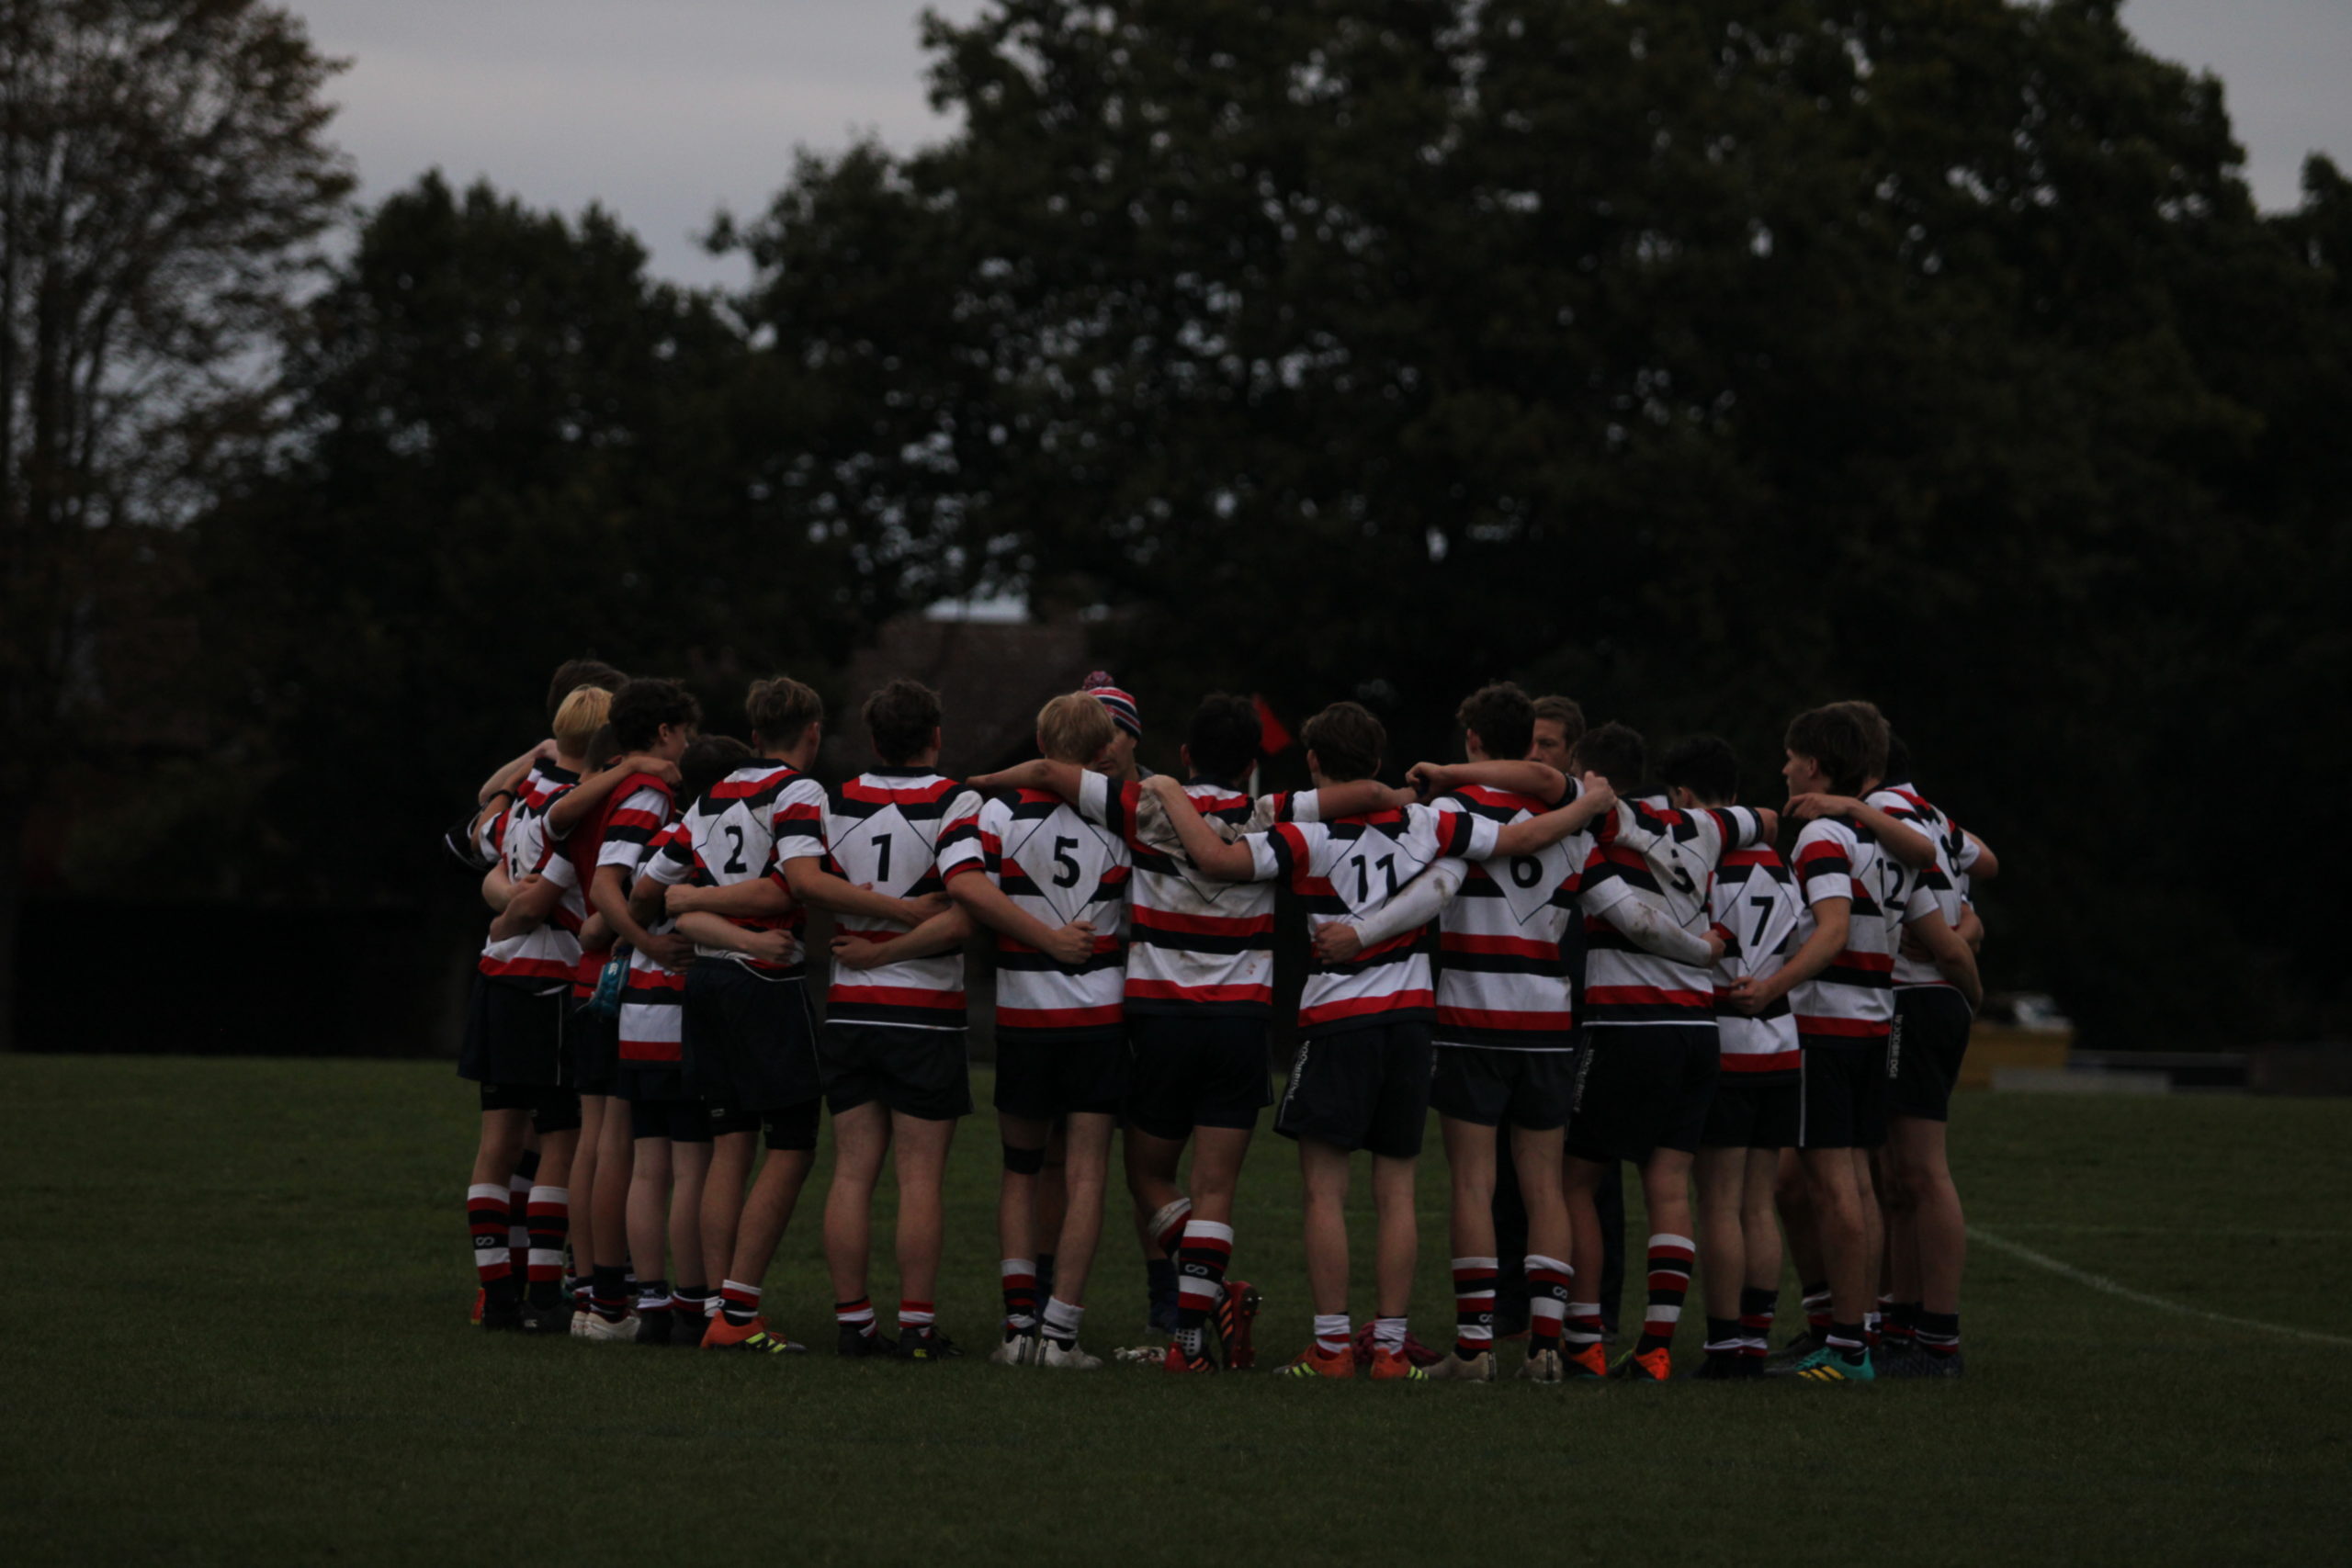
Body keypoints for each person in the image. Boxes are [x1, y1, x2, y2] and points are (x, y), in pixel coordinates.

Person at [1148, 701, 1600, 1381]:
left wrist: (1165, 791)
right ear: (1380, 758)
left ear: (1313, 764)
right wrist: (1589, 804)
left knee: (1325, 1191)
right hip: (1413, 1022)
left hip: (1337, 1020)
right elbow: (1521, 841)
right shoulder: (1430, 822)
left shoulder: (1305, 836)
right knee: (1397, 1190)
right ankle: (1388, 1348)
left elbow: (1213, 857)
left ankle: (1331, 1347)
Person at [970, 694, 1396, 1372]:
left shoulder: (1145, 807)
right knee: (1216, 1187)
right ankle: (1190, 1341)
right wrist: (1402, 790)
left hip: (1161, 1018)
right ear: (1253, 764)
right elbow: (1363, 793)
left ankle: (1200, 1304)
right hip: (1241, 1022)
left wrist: (984, 783)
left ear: (1187, 754)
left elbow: (1051, 774)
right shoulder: (1271, 814)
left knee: (1147, 1173)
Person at [1322, 683, 1611, 1383]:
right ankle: (1547, 1344)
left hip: (1469, 1015)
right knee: (1545, 1184)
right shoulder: (1572, 813)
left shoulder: (1451, 807)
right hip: (1547, 1015)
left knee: (1474, 1185)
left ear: (1474, 741)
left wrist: (1356, 934)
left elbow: (1430, 891)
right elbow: (1601, 881)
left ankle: (1475, 1349)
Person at [659, 675, 943, 1354]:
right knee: (792, 1142)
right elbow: (801, 881)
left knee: (731, 1141)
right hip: (762, 979)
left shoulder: (714, 793)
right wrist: (904, 911)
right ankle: (737, 1312)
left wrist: (698, 907)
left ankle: (715, 1307)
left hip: (707, 983)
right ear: (812, 733)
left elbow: (656, 890)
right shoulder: (799, 789)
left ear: (753, 733)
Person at [1729, 701, 1981, 1383]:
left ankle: (1846, 1348)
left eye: (1790, 757)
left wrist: (1773, 986)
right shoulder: (1888, 842)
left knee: (1834, 1184)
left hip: (1825, 1024)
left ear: (1815, 765)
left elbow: (1832, 932)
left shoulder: (1823, 838)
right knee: (1863, 1188)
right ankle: (1858, 1333)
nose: (1781, 767)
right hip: (1874, 1023)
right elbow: (1947, 901)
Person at [1562, 722, 1770, 1381]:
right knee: (1667, 1183)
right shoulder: (1702, 824)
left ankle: (1586, 1338)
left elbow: (1635, 921)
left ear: (1592, 777)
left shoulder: (1592, 831)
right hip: (1696, 1031)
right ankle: (1655, 1346)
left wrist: (1705, 947)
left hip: (1630, 1025)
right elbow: (1764, 818)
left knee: (1576, 1181)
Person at [1804, 733, 1998, 1377]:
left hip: (1915, 999)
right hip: (1930, 997)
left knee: (1916, 1172)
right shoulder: (1934, 815)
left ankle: (1936, 1334)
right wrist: (1963, 923)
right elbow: (1987, 864)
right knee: (1895, 1178)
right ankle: (1904, 1318)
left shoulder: (1881, 813)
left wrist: (1957, 955)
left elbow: (1927, 916)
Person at [944, 693, 1128, 1368]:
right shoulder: (1122, 812)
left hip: (1024, 1016)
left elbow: (965, 885)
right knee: (1084, 1177)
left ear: (1039, 741)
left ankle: (1018, 1326)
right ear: (1105, 750)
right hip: (1099, 1017)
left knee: (1020, 1171)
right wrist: (1066, 938)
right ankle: (1060, 1336)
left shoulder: (994, 810)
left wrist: (1042, 939)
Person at [810, 678, 984, 1361]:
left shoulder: (836, 799)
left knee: (851, 1171)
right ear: (935, 737)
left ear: (873, 739)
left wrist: (870, 952)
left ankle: (854, 1323)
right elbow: (963, 915)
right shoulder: (957, 800)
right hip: (925, 1014)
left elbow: (809, 884)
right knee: (919, 1178)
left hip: (849, 1006)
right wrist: (900, 946)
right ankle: (915, 1327)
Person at [460, 683, 610, 1333]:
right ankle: (546, 1291)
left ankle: (497, 1293)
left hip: (497, 977)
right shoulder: (575, 802)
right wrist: (514, 908)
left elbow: (481, 834)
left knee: (497, 1141)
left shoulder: (526, 792)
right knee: (561, 1138)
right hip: (550, 979)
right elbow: (540, 891)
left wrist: (500, 908)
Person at [556, 679, 700, 1339]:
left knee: (595, 1145)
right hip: (614, 983)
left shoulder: (607, 780)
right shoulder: (644, 793)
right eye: (685, 731)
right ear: (666, 731)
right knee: (617, 1147)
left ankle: (592, 1296)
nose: (690, 743)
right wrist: (641, 938)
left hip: (591, 977)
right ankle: (610, 1299)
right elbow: (607, 886)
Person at [1657, 734, 1800, 1379]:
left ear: (1683, 798)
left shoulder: (1703, 865)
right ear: (1736, 797)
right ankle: (1754, 1339)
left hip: (1727, 1038)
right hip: (1782, 1038)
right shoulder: (1785, 863)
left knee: (1716, 1201)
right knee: (1758, 1202)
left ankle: (1723, 1346)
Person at [613, 734, 753, 1345]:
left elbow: (634, 902)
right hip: (680, 1015)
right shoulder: (712, 831)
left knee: (648, 1167)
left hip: (635, 1013)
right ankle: (693, 1301)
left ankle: (651, 1304)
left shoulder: (661, 830)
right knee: (694, 1166)